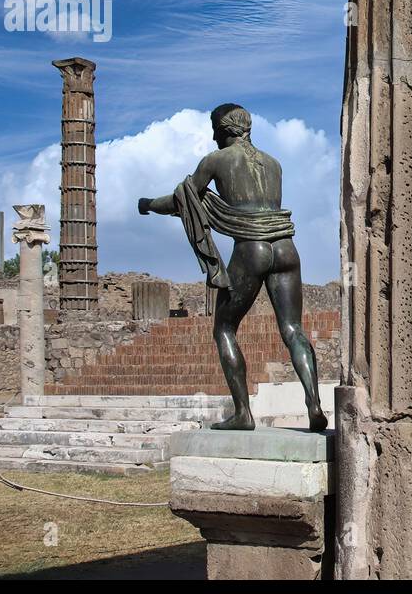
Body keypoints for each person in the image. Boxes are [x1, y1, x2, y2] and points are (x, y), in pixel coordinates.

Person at [139, 103, 326, 431]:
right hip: (286, 248)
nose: (212, 136)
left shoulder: (215, 160)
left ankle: (243, 413)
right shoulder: (275, 164)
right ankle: (313, 403)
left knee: (224, 328)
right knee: (293, 328)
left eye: (214, 128)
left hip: (251, 248)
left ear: (223, 129)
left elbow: (182, 200)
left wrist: (149, 205)